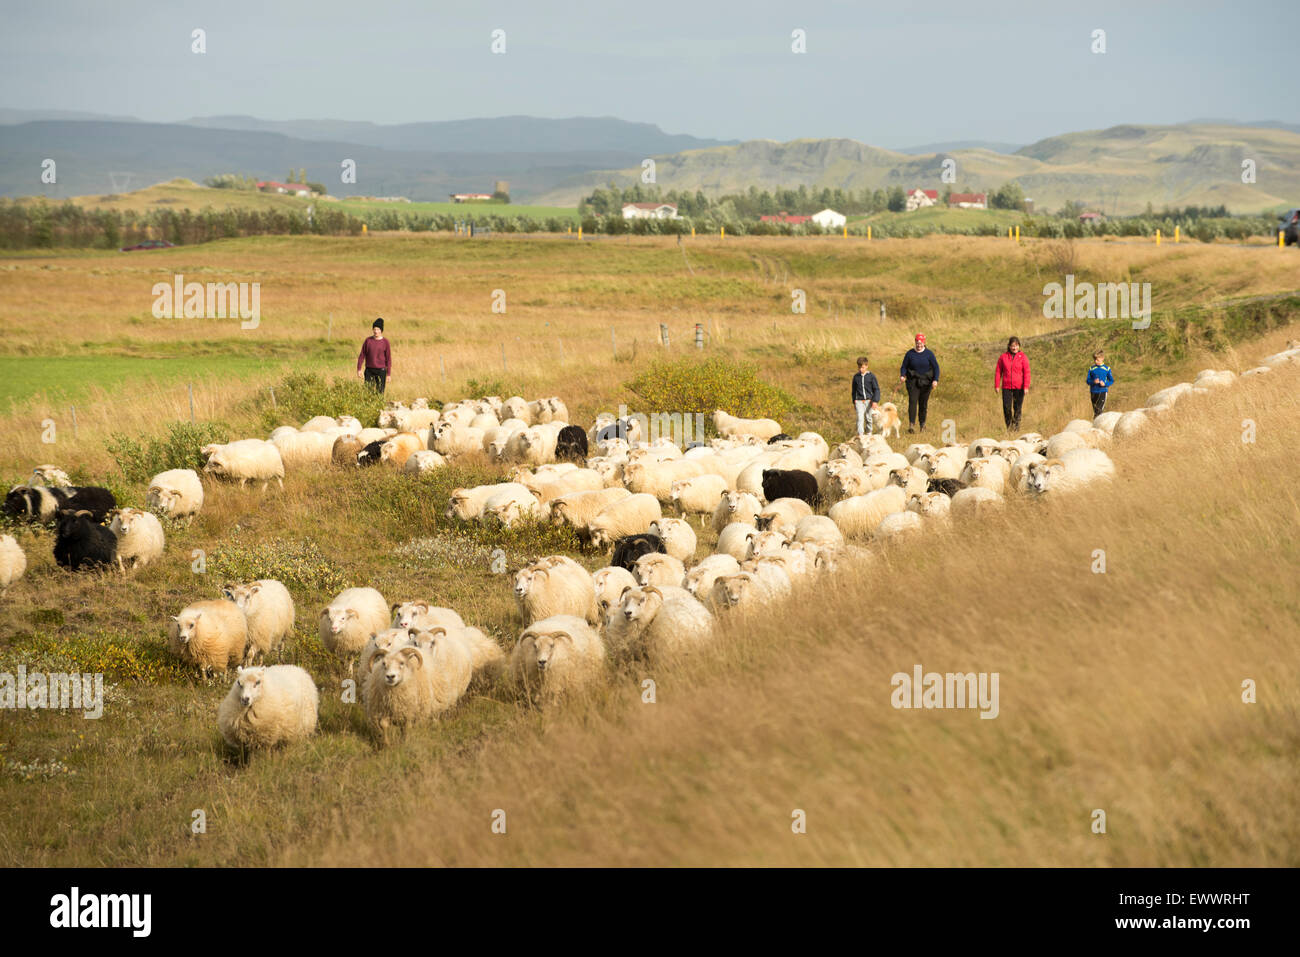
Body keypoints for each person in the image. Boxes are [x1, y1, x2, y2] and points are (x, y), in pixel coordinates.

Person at [898, 334, 939, 433]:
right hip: (913, 382)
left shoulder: (929, 354)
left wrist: (935, 380)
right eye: (917, 342)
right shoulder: (910, 354)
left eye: (920, 343)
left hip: (926, 382)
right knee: (912, 402)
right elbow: (904, 366)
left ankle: (922, 425)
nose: (919, 345)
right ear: (915, 342)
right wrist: (902, 375)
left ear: (924, 343)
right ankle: (911, 425)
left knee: (923, 404)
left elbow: (936, 367)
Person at [993, 336, 1031, 430]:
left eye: (1016, 345)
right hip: (1006, 387)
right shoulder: (1003, 357)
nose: (1014, 348)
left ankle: (1016, 427)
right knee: (1007, 408)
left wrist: (1026, 386)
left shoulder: (1023, 357)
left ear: (1019, 346)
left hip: (1019, 387)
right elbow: (998, 371)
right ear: (1009, 346)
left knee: (1017, 408)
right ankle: (1009, 427)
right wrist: (997, 385)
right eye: (1012, 346)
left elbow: (1027, 372)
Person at [357, 318, 392, 393]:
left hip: (381, 371)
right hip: (369, 370)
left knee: (380, 392)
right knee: (368, 392)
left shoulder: (385, 342)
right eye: (374, 329)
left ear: (381, 330)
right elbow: (362, 355)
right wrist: (359, 369)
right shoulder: (368, 340)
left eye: (378, 329)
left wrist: (388, 374)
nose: (376, 331)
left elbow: (388, 359)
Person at [851, 356, 881, 436]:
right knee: (860, 418)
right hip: (859, 401)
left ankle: (868, 433)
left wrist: (875, 401)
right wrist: (854, 400)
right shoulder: (856, 377)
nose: (861, 369)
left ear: (867, 366)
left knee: (869, 418)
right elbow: (854, 390)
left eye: (863, 367)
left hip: (869, 401)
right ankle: (860, 435)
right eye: (859, 367)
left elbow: (876, 389)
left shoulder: (871, 376)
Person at [1087, 349, 1114, 416]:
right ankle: (1097, 424)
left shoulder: (1107, 369)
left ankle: (1096, 425)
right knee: (1095, 411)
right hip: (1093, 392)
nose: (1096, 361)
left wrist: (1105, 384)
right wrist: (1093, 382)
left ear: (1102, 358)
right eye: (1095, 360)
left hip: (1102, 391)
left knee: (1098, 411)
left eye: (1098, 360)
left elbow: (1111, 381)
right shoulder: (1091, 369)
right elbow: (1088, 381)